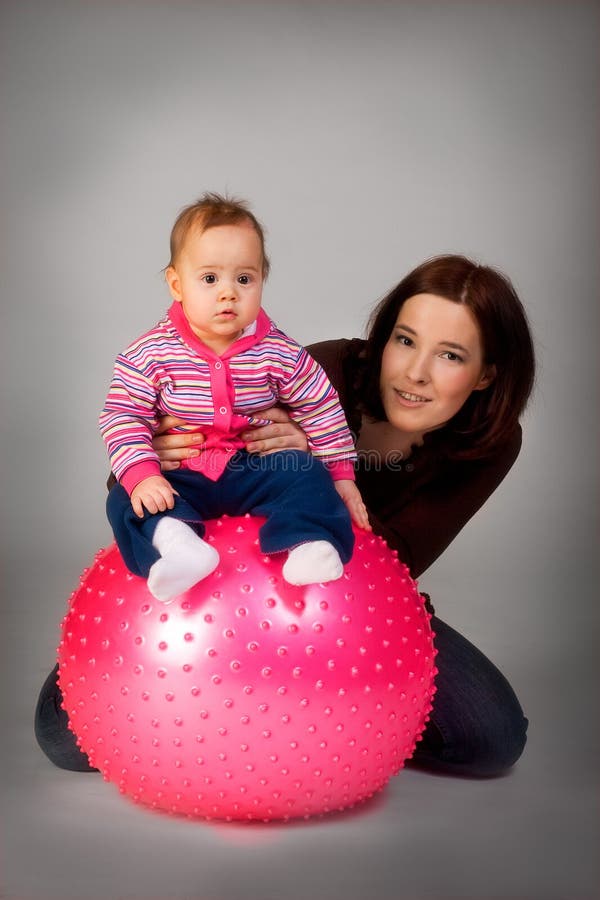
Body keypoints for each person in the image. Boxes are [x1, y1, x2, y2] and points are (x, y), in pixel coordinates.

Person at [35, 252, 535, 779]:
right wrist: (160, 452)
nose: (415, 372)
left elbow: (401, 558)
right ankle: (213, 721)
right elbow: (135, 481)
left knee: (493, 740)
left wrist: (313, 458)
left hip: (351, 600)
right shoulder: (319, 370)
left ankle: (340, 729)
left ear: (485, 376)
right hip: (208, 581)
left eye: (451, 355)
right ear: (384, 339)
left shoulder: (489, 444)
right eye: (405, 341)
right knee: (61, 736)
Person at [99, 193, 368, 603]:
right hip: (183, 473)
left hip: (256, 468)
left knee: (305, 473)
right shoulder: (150, 353)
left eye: (244, 279)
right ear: (176, 284)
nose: (229, 293)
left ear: (263, 279)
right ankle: (176, 545)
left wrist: (341, 475)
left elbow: (320, 407)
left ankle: (309, 544)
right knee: (124, 497)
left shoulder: (279, 352)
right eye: (210, 279)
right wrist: (143, 472)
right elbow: (123, 414)